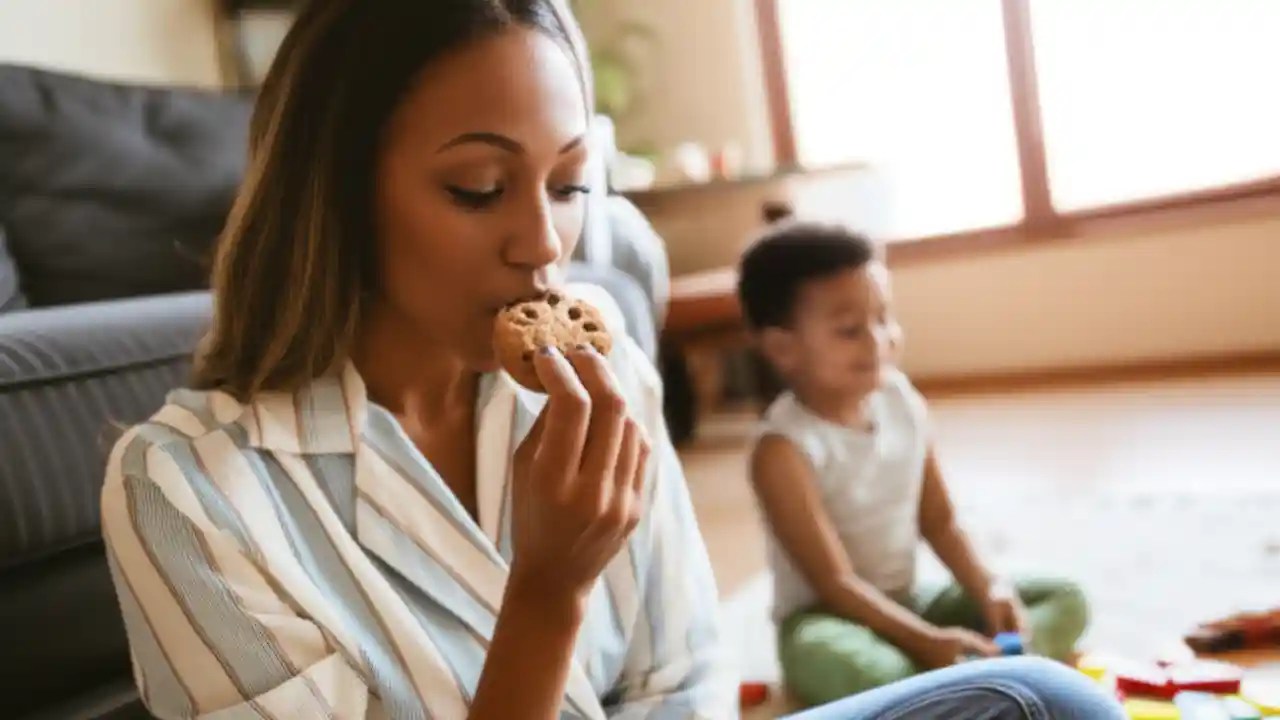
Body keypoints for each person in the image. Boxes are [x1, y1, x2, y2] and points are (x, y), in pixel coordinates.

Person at [100, 1, 1122, 717]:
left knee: (1044, 700)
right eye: (476, 187)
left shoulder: (599, 367)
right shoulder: (191, 492)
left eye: (567, 183)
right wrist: (547, 594)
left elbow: (678, 684)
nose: (544, 247)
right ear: (335, 194)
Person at [737, 221, 1096, 708]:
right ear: (783, 347)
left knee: (1064, 599)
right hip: (829, 622)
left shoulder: (901, 401)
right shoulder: (782, 449)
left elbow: (940, 520)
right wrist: (925, 640)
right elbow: (834, 583)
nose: (877, 340)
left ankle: (954, 688)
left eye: (884, 318)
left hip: (912, 601)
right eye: (849, 329)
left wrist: (988, 588)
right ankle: (962, 684)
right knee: (869, 671)